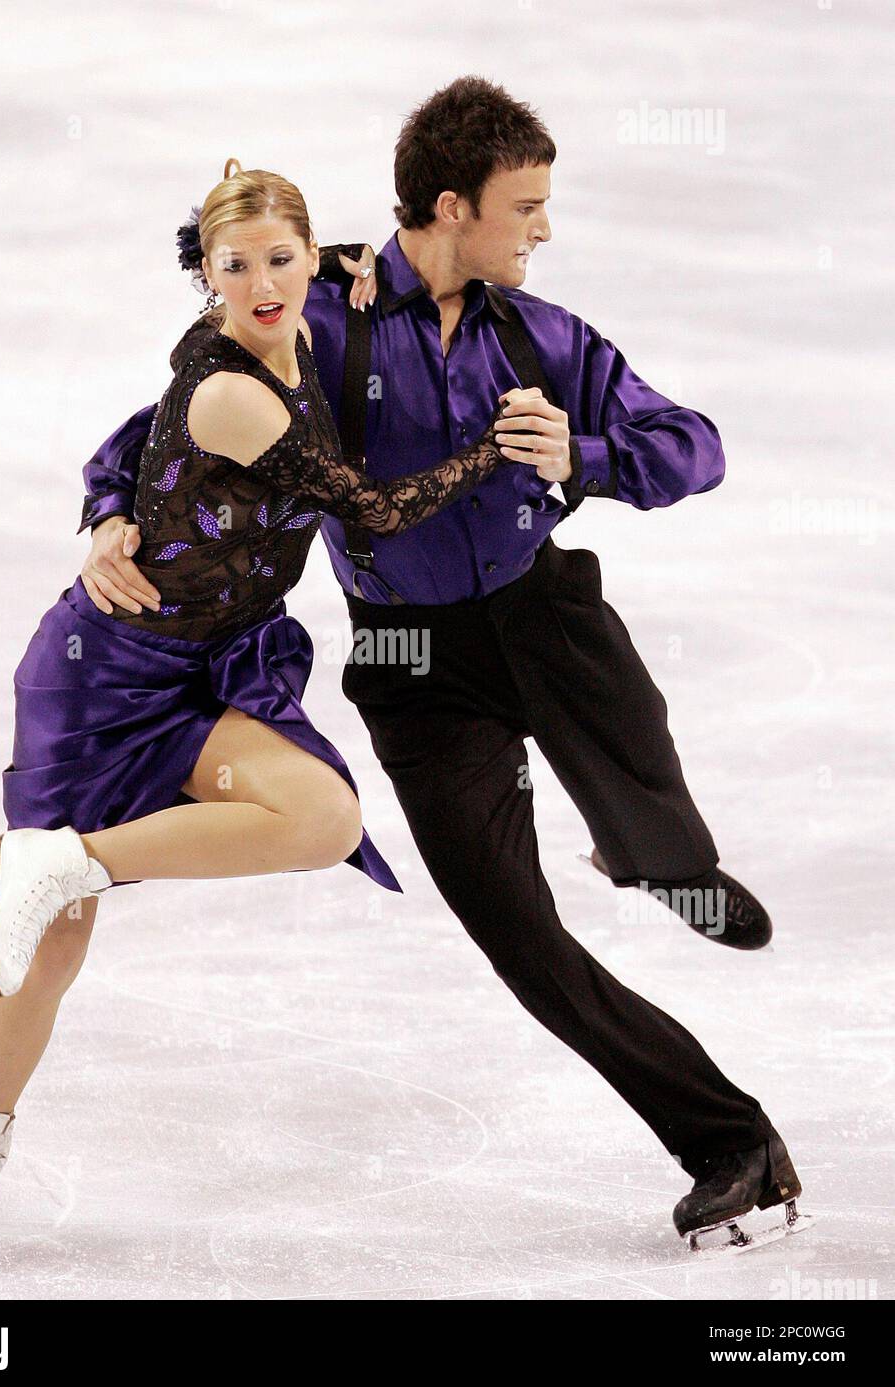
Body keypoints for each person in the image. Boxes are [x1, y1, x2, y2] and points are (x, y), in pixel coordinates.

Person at [79, 80, 808, 1251]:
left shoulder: (543, 335)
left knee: (652, 811)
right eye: (527, 206)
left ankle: (654, 858)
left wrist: (592, 450)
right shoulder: (324, 315)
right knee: (522, 941)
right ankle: (733, 1143)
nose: (544, 228)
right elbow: (163, 422)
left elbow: (697, 445)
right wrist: (110, 510)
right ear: (454, 207)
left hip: (547, 619)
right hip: (415, 664)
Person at [0, 157, 546, 1244]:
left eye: (282, 258)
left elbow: (124, 446)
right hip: (104, 675)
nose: (261, 282)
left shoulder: (317, 307)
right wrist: (495, 447)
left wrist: (110, 504)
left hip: (218, 667)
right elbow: (374, 512)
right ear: (203, 274)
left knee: (321, 816)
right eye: (233, 265)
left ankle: (51, 855)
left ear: (315, 254)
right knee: (53, 947)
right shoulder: (229, 391)